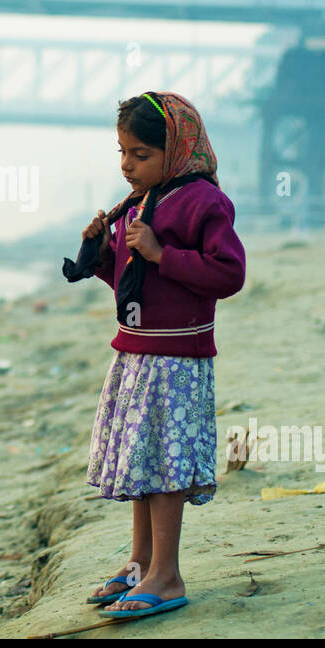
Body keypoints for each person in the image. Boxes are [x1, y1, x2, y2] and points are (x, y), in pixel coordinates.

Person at [74, 91, 246, 618]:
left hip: (176, 360)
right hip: (136, 354)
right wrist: (104, 255)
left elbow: (229, 274)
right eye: (122, 153)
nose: (127, 165)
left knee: (166, 468)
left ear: (176, 150)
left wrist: (161, 253)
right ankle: (140, 563)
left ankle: (166, 576)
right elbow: (133, 286)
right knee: (144, 463)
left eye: (141, 154)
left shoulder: (203, 202)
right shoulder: (139, 203)